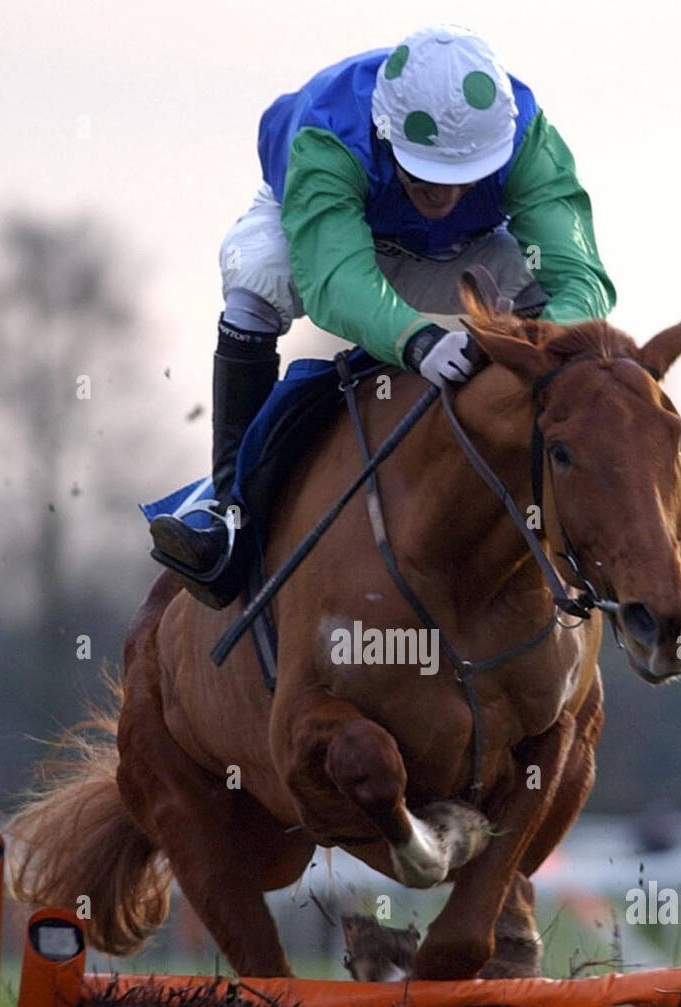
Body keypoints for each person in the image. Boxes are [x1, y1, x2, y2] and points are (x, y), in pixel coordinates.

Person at [150, 24, 615, 606]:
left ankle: (558, 506)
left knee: (542, 296)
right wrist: (416, 341)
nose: (444, 195)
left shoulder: (526, 134)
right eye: (425, 173)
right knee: (256, 276)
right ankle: (226, 513)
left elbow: (582, 280)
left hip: (457, 250)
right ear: (385, 132)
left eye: (459, 177)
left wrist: (535, 343)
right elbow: (336, 280)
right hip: (332, 237)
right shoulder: (330, 130)